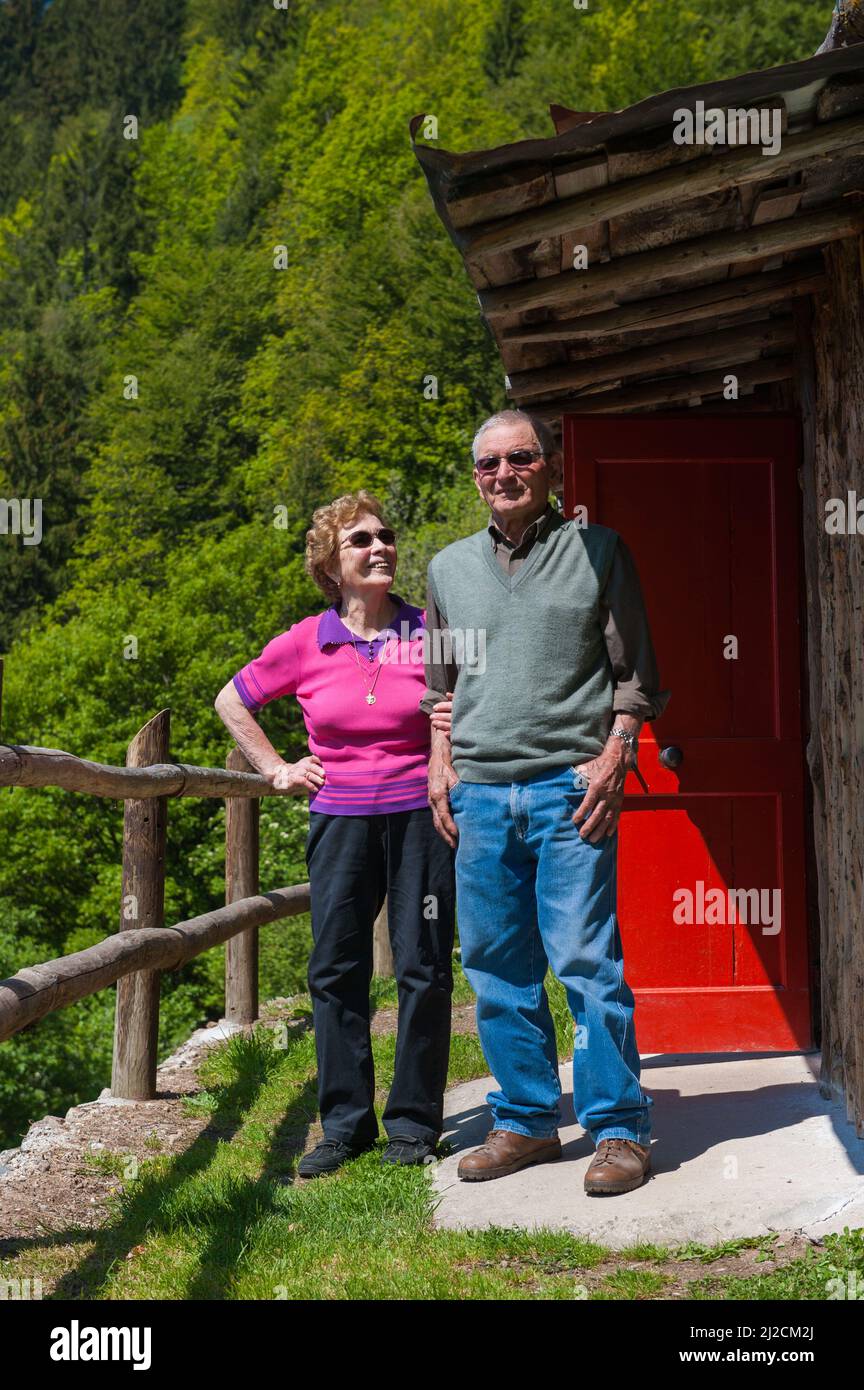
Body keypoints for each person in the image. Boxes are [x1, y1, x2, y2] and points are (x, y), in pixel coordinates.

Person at [422, 410, 670, 1195]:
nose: (504, 473)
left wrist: (615, 754)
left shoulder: (598, 552)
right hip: (482, 794)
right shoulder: (449, 570)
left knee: (585, 959)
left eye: (519, 458)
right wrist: (440, 766)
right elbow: (443, 691)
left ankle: (620, 1130)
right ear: (476, 478)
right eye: (489, 464)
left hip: (572, 787)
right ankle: (526, 1121)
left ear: (548, 465)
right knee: (494, 964)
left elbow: (635, 679)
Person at [215, 490, 456, 1177]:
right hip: (341, 820)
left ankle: (412, 1125)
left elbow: (471, 700)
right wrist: (276, 769)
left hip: (422, 816)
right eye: (361, 540)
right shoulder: (305, 640)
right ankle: (345, 1126)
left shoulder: (431, 631)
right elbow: (231, 699)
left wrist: (456, 761)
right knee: (336, 970)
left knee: (424, 966)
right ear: (332, 563)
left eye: (385, 535)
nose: (379, 546)